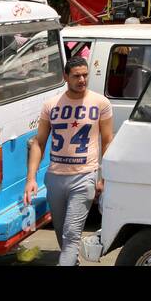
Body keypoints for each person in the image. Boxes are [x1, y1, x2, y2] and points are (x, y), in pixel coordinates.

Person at [25, 57, 115, 266]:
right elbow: (38, 143)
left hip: (85, 177)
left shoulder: (101, 103)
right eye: (76, 76)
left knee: (71, 233)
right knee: (62, 234)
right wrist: (31, 178)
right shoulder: (51, 105)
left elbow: (108, 140)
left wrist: (104, 177)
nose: (82, 79)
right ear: (65, 77)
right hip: (55, 177)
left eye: (85, 75)